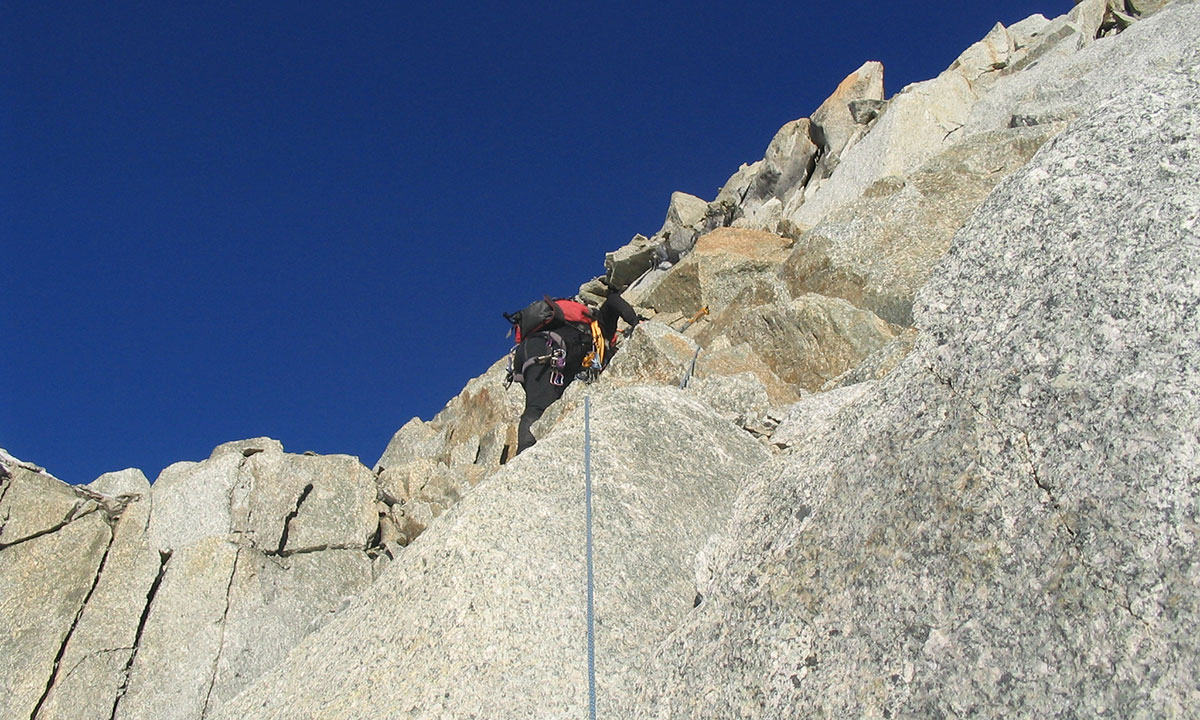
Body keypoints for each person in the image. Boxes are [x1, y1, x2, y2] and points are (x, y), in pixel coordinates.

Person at [512, 292, 640, 454]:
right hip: (549, 348)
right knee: (537, 407)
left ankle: (529, 453)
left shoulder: (574, 332)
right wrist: (636, 322)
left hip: (528, 353)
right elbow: (613, 300)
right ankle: (524, 460)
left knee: (540, 403)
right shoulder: (598, 326)